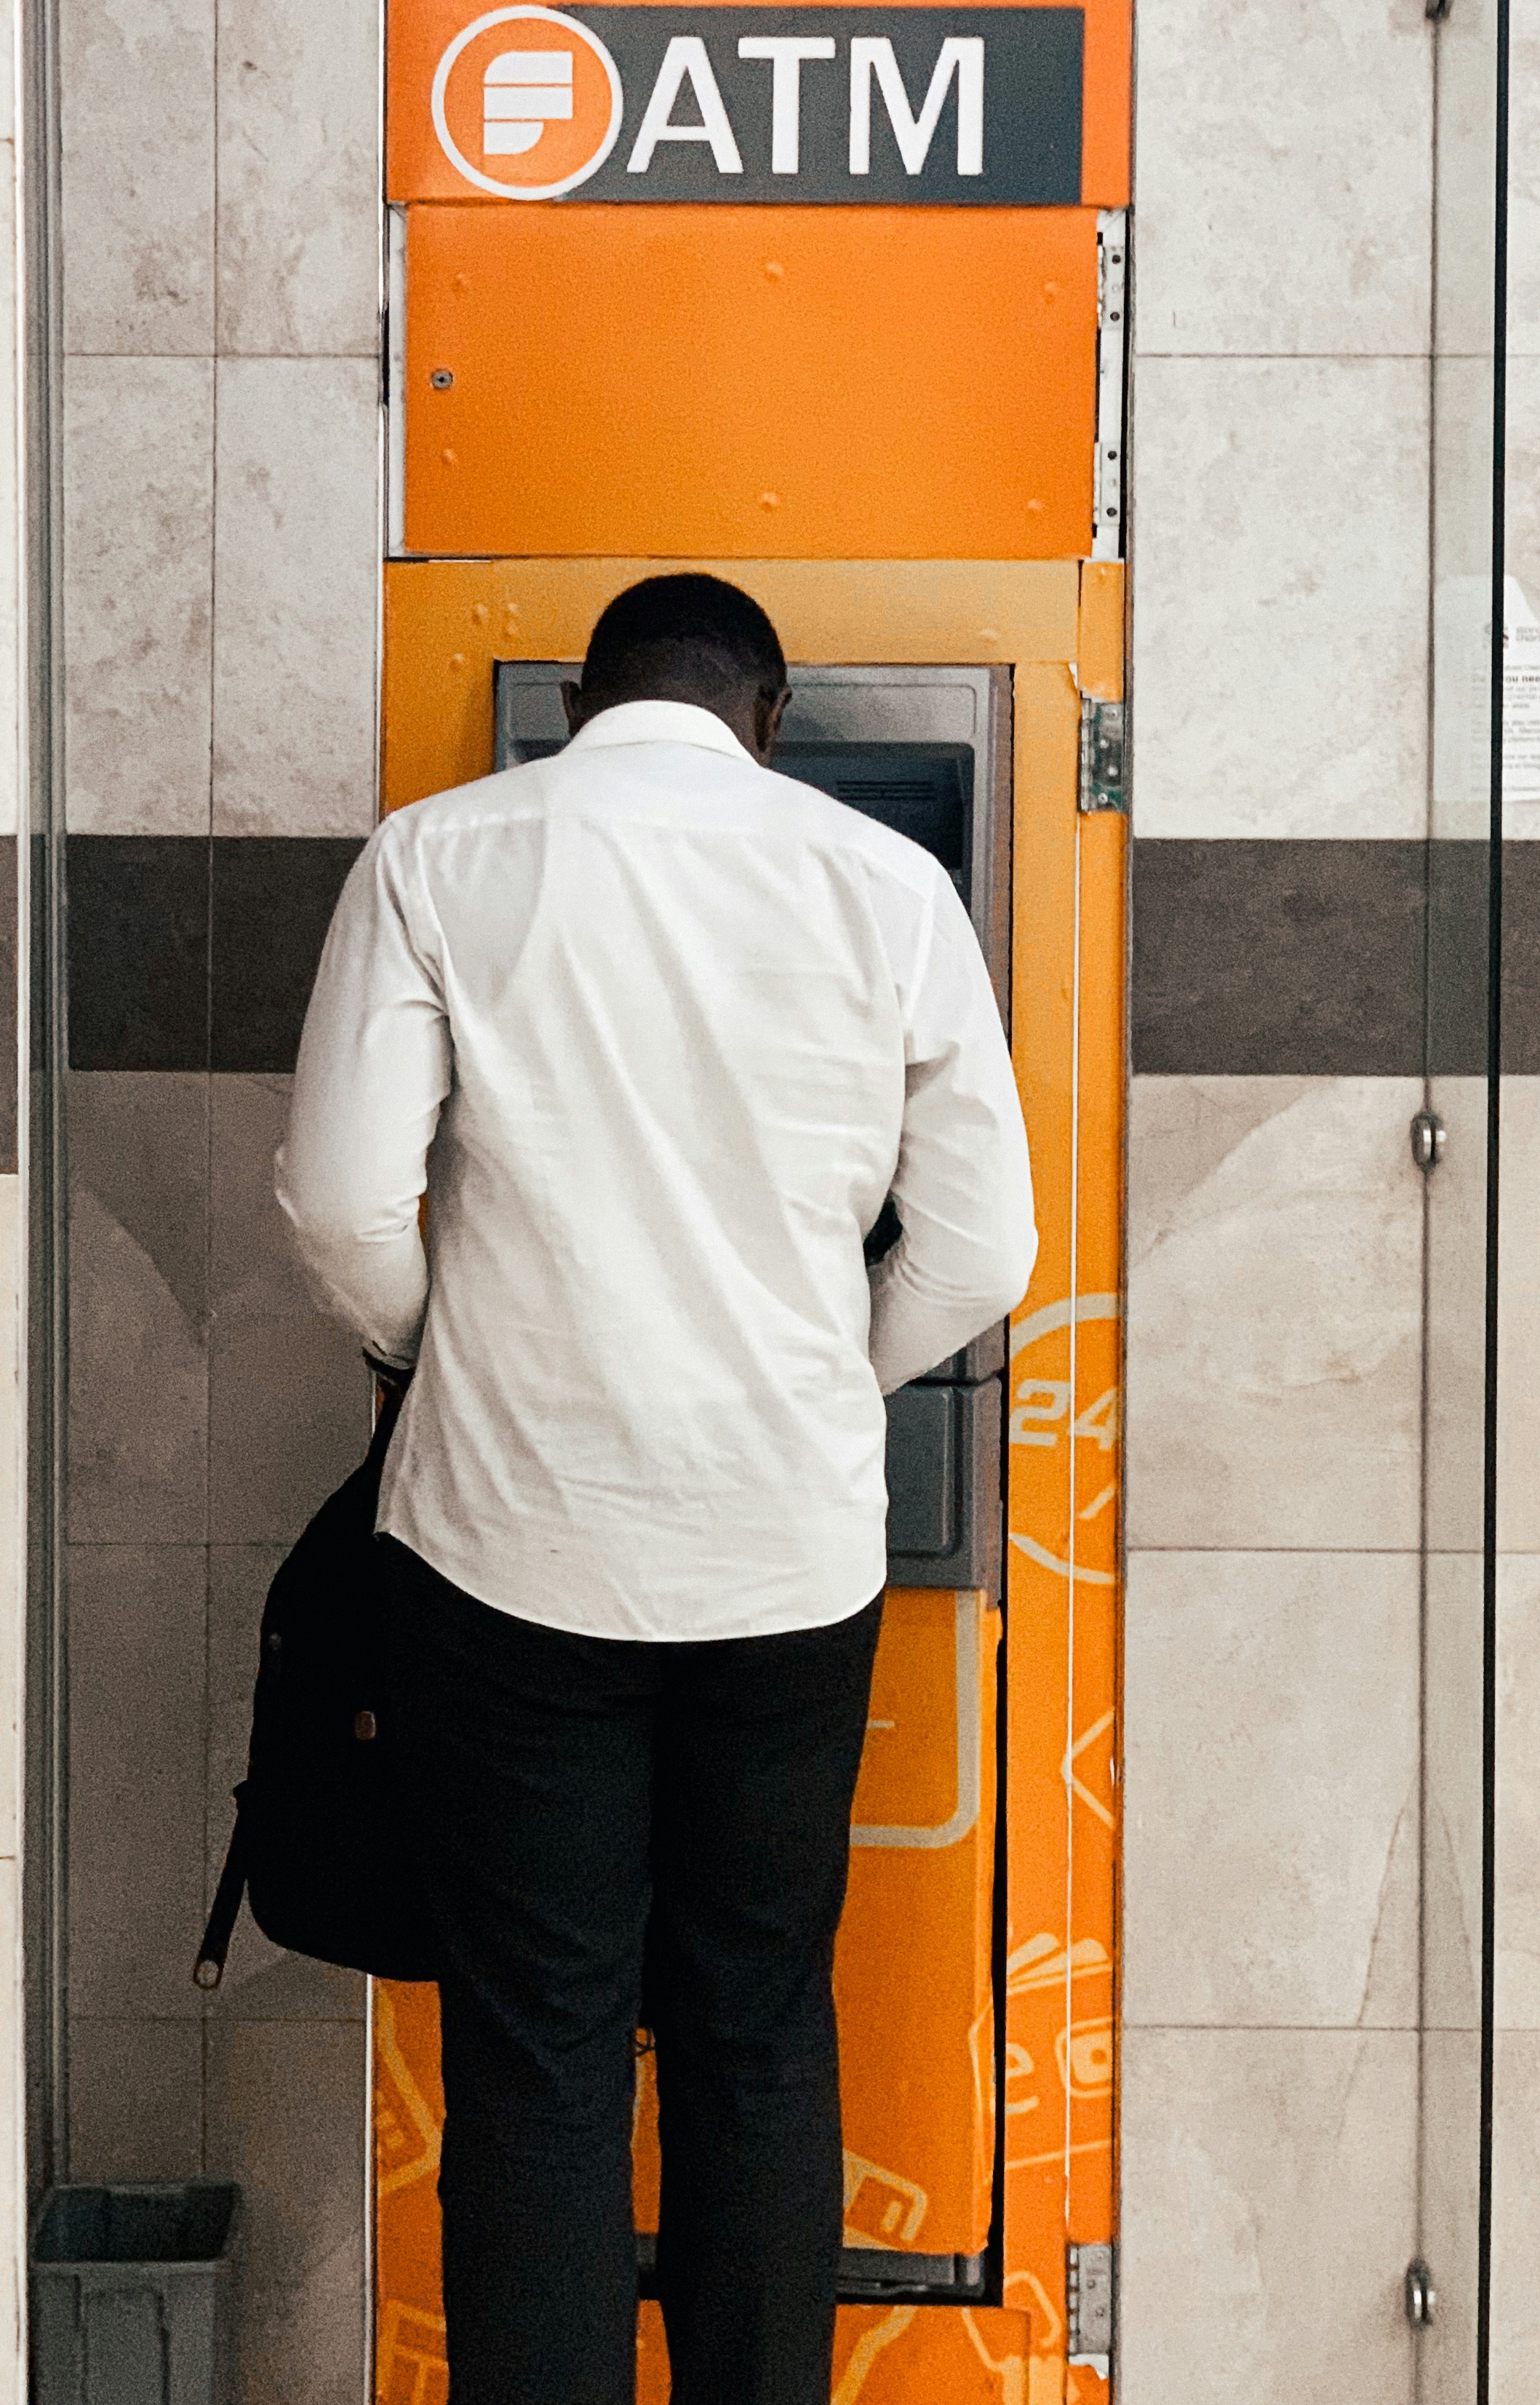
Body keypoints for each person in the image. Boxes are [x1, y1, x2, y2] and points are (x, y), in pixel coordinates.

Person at [276, 571, 1037, 2405]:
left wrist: (435, 1358)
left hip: (507, 1559)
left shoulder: (438, 857)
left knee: (536, 2056)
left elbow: (340, 1205)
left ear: (581, 702)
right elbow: (982, 1242)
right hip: (784, 1567)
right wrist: (825, 1387)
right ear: (762, 714)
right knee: (756, 2030)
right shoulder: (883, 882)